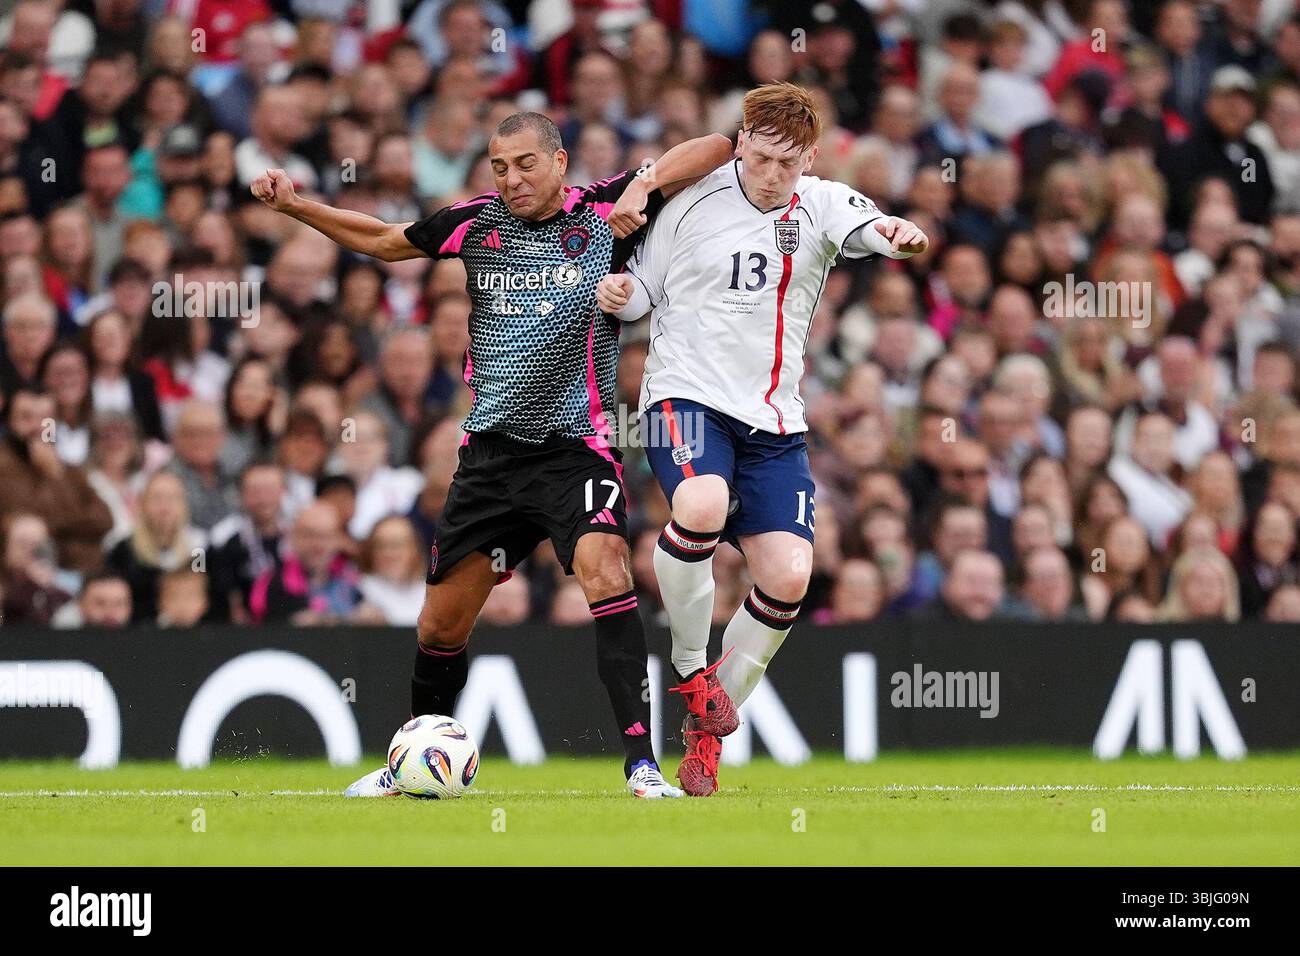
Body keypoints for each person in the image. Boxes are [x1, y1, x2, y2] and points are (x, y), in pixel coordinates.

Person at [252, 110, 732, 799]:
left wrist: (644, 183)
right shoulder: (476, 223)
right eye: (499, 165)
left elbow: (717, 147)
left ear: (560, 163)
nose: (510, 178)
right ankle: (412, 762)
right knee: (441, 624)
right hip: (491, 460)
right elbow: (388, 241)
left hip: (578, 450)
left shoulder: (604, 211)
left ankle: (642, 766)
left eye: (525, 164)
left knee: (606, 569)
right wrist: (296, 203)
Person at [596, 82, 928, 795]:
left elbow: (874, 230)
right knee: (703, 507)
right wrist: (621, 297)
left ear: (809, 158)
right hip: (684, 398)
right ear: (741, 142)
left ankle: (705, 738)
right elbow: (645, 289)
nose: (771, 173)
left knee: (788, 577)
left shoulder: (823, 201)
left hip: (775, 422)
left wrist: (897, 234)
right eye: (761, 156)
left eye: (788, 162)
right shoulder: (691, 200)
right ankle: (690, 671)